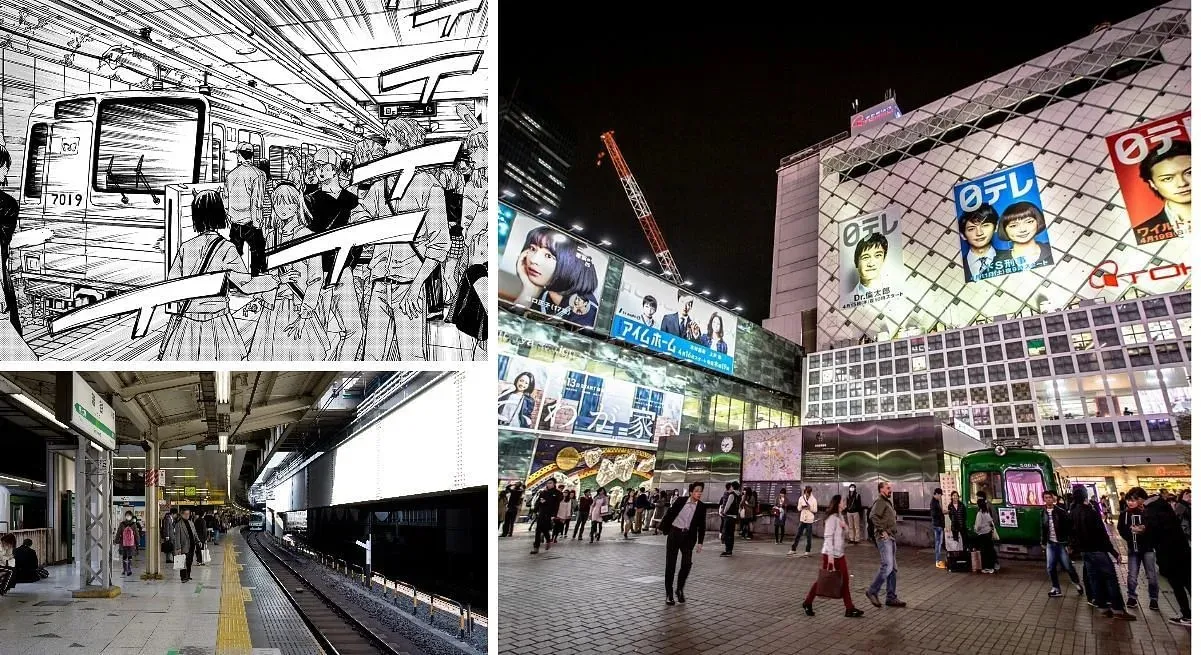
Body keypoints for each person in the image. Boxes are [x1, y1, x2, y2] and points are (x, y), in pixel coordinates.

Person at [1069, 486, 1134, 620]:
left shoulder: (1073, 512)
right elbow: (1102, 534)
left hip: (1085, 552)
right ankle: (1118, 609)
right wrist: (1114, 552)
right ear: (1085, 496)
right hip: (1098, 550)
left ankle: (1102, 606)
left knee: (1094, 579)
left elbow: (1072, 533)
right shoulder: (1090, 511)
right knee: (1110, 579)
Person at [1132, 487, 1190, 626]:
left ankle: (1187, 615)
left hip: (1169, 553)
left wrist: (1141, 531)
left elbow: (1155, 535)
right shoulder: (1163, 506)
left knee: (1177, 584)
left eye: (1134, 500)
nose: (1133, 503)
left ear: (1139, 498)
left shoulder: (1151, 511)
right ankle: (1187, 614)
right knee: (1188, 581)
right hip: (1182, 550)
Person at [802, 494, 864, 618]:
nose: (845, 503)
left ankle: (849, 608)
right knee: (823, 579)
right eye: (843, 501)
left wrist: (844, 526)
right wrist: (830, 556)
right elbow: (828, 537)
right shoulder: (831, 518)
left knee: (845, 580)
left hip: (840, 554)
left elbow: (845, 530)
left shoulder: (840, 516)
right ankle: (808, 602)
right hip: (830, 555)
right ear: (838, 503)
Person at [223, 142, 269, 275]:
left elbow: (226, 199)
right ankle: (256, 277)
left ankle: (232, 281)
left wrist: (230, 216)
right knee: (258, 250)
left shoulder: (231, 175)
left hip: (235, 223)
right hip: (251, 222)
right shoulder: (259, 174)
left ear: (239, 156)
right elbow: (257, 201)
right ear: (251, 156)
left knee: (235, 254)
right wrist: (258, 223)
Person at [1134, 139, 1191, 243]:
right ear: (1153, 184)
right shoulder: (1145, 232)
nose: (1182, 183)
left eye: (1190, 172)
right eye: (1168, 178)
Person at [662, 481, 706, 605]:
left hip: (688, 537)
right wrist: (665, 529)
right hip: (674, 534)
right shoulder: (681, 501)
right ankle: (669, 594)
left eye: (701, 491)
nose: (699, 493)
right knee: (670, 565)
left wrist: (700, 542)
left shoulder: (701, 506)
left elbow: (702, 526)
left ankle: (679, 589)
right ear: (691, 492)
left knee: (686, 564)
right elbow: (669, 514)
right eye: (697, 491)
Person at [865, 481, 905, 608]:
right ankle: (872, 591)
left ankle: (891, 597)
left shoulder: (887, 502)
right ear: (881, 490)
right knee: (887, 566)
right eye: (888, 488)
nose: (890, 490)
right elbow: (872, 516)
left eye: (890, 488)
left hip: (891, 537)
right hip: (884, 538)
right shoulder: (880, 502)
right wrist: (882, 531)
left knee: (893, 568)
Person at [1118, 489, 1158, 610]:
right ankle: (1131, 597)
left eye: (1134, 499)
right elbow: (1121, 529)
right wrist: (1130, 534)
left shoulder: (1147, 512)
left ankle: (1154, 599)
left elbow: (1154, 527)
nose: (1131, 502)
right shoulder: (1124, 514)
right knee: (1132, 575)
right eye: (1129, 499)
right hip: (1133, 549)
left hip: (1148, 549)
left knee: (1151, 575)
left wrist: (1144, 530)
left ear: (1141, 500)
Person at [1040, 490, 1083, 598]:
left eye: (1050, 497)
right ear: (1044, 499)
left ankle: (1076, 583)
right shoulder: (1043, 512)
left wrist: (1069, 544)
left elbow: (1069, 528)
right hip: (1050, 543)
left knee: (1068, 566)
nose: (1048, 499)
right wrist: (1043, 542)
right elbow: (1043, 528)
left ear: (1053, 498)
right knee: (1050, 567)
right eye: (1046, 498)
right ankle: (1056, 588)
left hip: (1061, 543)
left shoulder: (1060, 511)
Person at [958, 204, 1001, 281]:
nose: (979, 233)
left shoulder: (1011, 256)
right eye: (971, 229)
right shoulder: (958, 265)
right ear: (962, 235)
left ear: (996, 227)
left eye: (985, 225)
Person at [850, 232, 889, 298]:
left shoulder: (896, 291)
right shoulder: (848, 298)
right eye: (865, 257)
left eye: (877, 255)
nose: (871, 264)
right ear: (856, 262)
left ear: (884, 259)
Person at [530, 481, 562, 554]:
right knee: (538, 529)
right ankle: (536, 547)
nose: (549, 484)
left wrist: (554, 515)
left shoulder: (557, 493)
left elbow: (556, 505)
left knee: (545, 529)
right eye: (548, 483)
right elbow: (538, 502)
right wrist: (535, 511)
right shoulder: (543, 492)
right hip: (541, 513)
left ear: (554, 484)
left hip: (549, 514)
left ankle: (548, 540)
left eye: (550, 483)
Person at [972, 492, 999, 574]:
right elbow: (990, 520)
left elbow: (979, 525)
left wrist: (976, 529)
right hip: (988, 532)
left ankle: (989, 566)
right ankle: (993, 566)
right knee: (990, 550)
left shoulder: (983, 511)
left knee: (986, 551)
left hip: (983, 533)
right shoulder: (985, 511)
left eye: (978, 498)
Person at [172, 508, 201, 583]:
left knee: (189, 561)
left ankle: (188, 575)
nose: (187, 515)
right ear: (182, 514)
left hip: (192, 545)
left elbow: (194, 533)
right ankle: (183, 577)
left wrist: (198, 541)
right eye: (185, 514)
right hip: (183, 546)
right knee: (183, 562)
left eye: (188, 514)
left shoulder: (191, 522)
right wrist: (178, 548)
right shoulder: (178, 524)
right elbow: (177, 537)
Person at [790, 486, 818, 557]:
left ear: (810, 492)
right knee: (798, 535)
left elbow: (815, 510)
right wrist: (802, 507)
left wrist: (810, 508)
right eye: (805, 493)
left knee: (808, 536)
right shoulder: (801, 498)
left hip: (809, 520)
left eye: (808, 493)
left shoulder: (814, 499)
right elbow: (798, 508)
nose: (806, 494)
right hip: (802, 519)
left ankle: (807, 551)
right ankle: (793, 549)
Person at [719, 481, 741, 556]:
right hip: (734, 516)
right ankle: (730, 550)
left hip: (729, 516)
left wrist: (723, 512)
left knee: (727, 533)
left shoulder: (732, 495)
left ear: (732, 486)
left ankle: (728, 550)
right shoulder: (739, 495)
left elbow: (728, 505)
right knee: (731, 534)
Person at [114, 511, 139, 576]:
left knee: (125, 557)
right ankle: (128, 569)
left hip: (123, 543)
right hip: (131, 543)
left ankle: (126, 569)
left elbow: (118, 532)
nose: (128, 516)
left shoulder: (122, 524)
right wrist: (138, 542)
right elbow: (136, 534)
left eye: (129, 515)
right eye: (127, 515)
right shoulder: (133, 524)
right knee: (128, 556)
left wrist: (116, 541)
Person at [930, 488, 946, 569]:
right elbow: (934, 514)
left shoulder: (935, 502)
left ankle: (938, 560)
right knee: (938, 543)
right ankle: (938, 561)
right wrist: (941, 513)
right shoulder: (934, 503)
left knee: (938, 543)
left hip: (938, 525)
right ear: (936, 494)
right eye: (940, 495)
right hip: (938, 525)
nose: (940, 497)